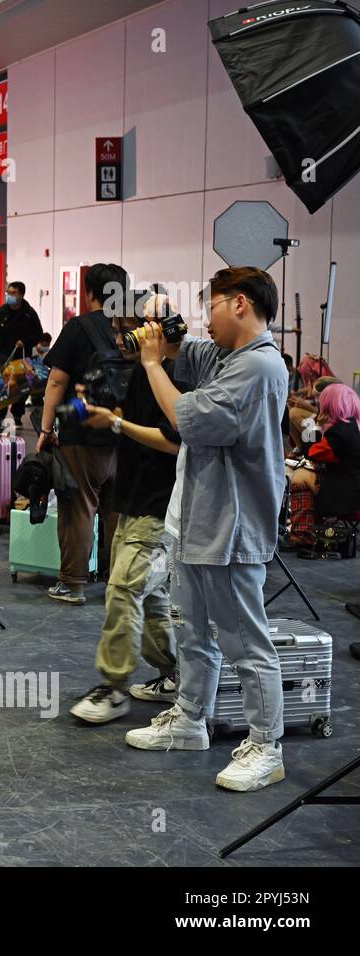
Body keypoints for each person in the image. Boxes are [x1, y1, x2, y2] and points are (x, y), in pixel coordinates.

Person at [125, 267, 290, 793]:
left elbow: (185, 417)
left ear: (239, 304)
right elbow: (187, 351)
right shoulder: (228, 356)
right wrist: (161, 333)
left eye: (212, 307)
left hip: (232, 527)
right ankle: (191, 720)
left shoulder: (260, 367)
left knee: (244, 642)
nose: (206, 320)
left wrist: (153, 364)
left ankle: (267, 746)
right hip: (198, 519)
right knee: (192, 633)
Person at [68, 293, 183, 724]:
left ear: (159, 329)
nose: (121, 335)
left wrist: (117, 423)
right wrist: (104, 412)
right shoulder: (141, 372)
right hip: (132, 499)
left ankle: (114, 688)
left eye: (129, 327)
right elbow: (135, 421)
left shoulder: (178, 374)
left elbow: (173, 440)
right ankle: (174, 673)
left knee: (122, 588)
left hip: (159, 504)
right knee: (149, 594)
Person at [37, 262, 127, 605]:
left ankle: (72, 584)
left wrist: (47, 428)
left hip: (83, 433)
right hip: (127, 432)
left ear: (90, 293)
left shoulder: (78, 328)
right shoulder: (135, 328)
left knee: (80, 508)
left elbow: (57, 381)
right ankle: (119, 585)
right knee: (118, 511)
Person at [283, 383, 360, 549]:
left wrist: (315, 425)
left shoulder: (339, 434)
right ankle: (312, 525)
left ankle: (301, 534)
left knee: (300, 476)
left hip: (348, 494)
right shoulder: (353, 425)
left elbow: (310, 452)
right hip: (353, 484)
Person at [0, 281, 44, 432]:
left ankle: (17, 417)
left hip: (21, 356)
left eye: (12, 293)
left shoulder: (29, 314)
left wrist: (24, 342)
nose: (9, 296)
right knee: (1, 385)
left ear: (21, 294)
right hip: (3, 354)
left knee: (20, 386)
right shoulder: (3, 310)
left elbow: (38, 334)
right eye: (8, 293)